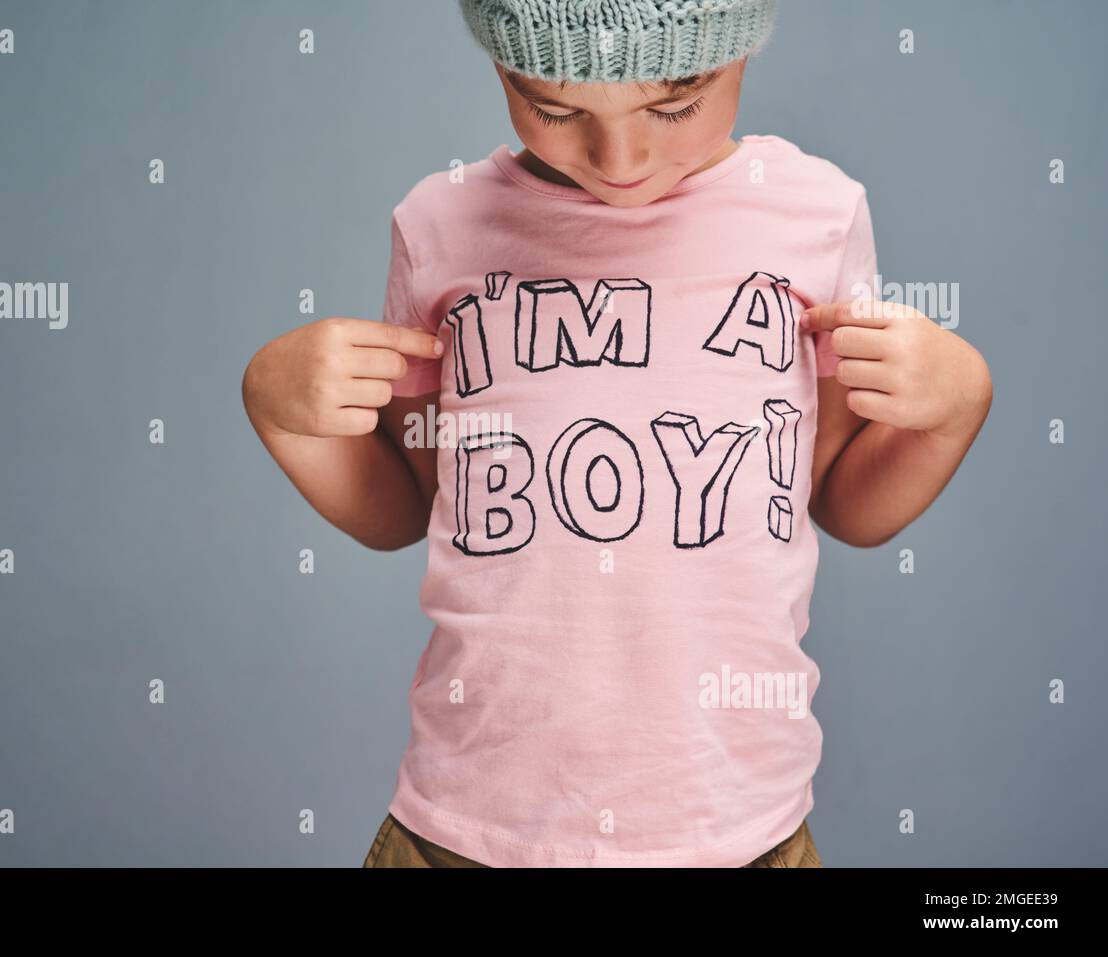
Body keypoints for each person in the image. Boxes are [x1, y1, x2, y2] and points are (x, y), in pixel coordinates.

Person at [242, 0, 992, 867]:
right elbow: (409, 506)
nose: (620, 158)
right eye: (555, 108)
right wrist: (282, 411)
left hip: (735, 830)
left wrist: (957, 404)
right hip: (469, 832)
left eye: (673, 104)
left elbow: (840, 502)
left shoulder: (814, 215)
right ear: (498, 66)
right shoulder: (439, 226)